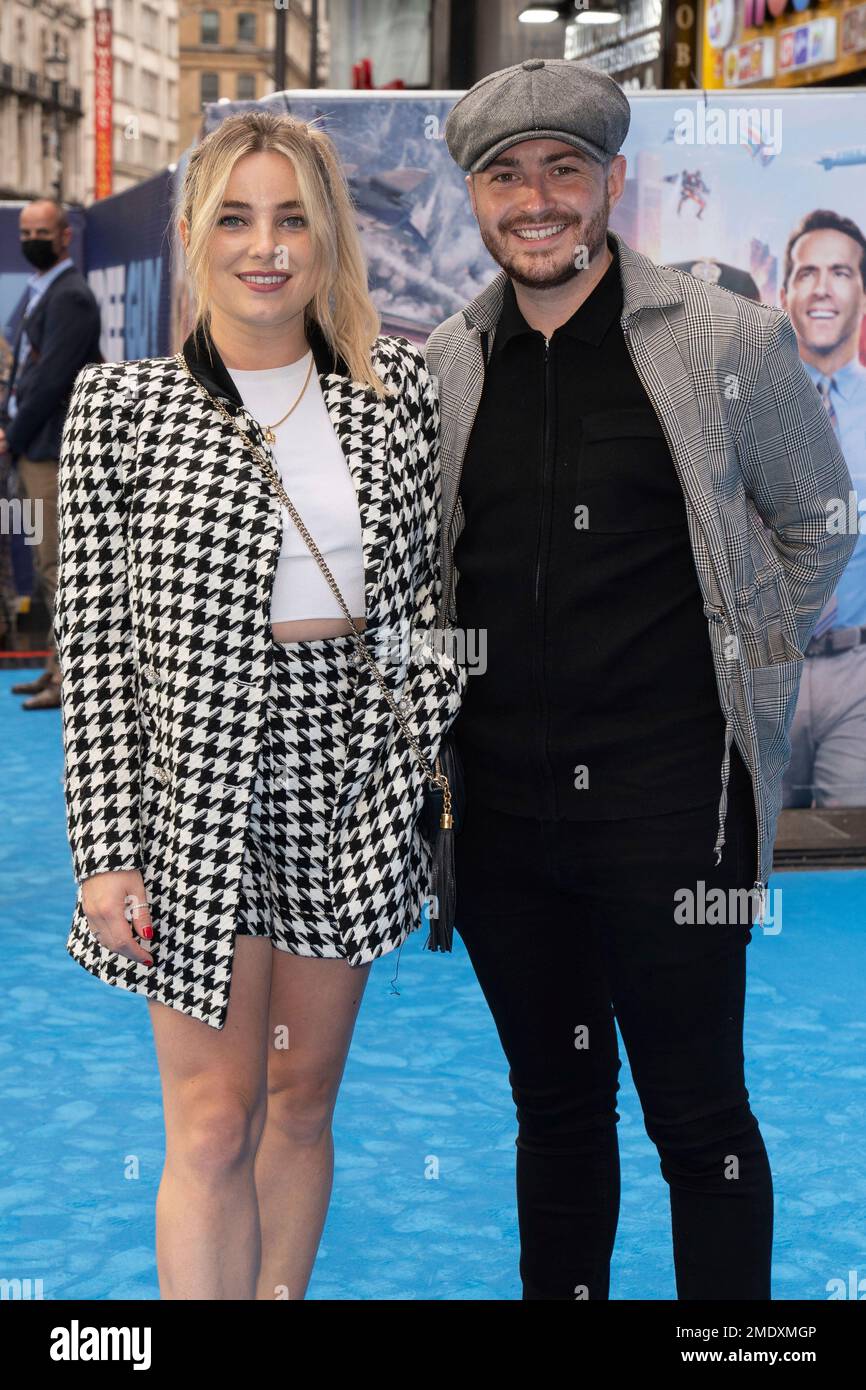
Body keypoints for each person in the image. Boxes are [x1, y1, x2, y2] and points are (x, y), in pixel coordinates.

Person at [426, 58, 856, 1300]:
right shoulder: (447, 366)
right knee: (554, 1112)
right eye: (506, 175)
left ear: (610, 183)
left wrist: (735, 653)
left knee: (698, 1118)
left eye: (564, 168)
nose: (536, 196)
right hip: (505, 823)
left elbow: (819, 521)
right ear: (476, 200)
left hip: (675, 815)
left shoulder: (729, 338)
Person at [53, 110, 464, 1300]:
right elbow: (94, 652)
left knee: (298, 1100)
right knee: (214, 1114)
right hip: (194, 780)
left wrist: (399, 767)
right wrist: (104, 849)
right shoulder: (118, 408)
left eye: (292, 218)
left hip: (347, 778)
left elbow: (426, 609)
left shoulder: (399, 408)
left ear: (329, 237)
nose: (265, 245)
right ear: (193, 235)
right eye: (235, 217)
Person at [779, 210, 866, 809]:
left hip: (855, 673)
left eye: (840, 272)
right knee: (748, 863)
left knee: (848, 859)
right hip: (760, 672)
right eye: (807, 272)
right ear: (785, 291)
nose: (822, 288)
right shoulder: (745, 406)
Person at [0, 198, 101, 707]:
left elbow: (51, 379)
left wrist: (12, 435)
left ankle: (69, 678)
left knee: (59, 565)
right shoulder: (45, 291)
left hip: (50, 448)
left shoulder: (71, 297)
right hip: (33, 446)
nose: (32, 239)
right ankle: (52, 667)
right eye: (26, 231)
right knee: (44, 564)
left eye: (43, 231)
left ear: (65, 236)